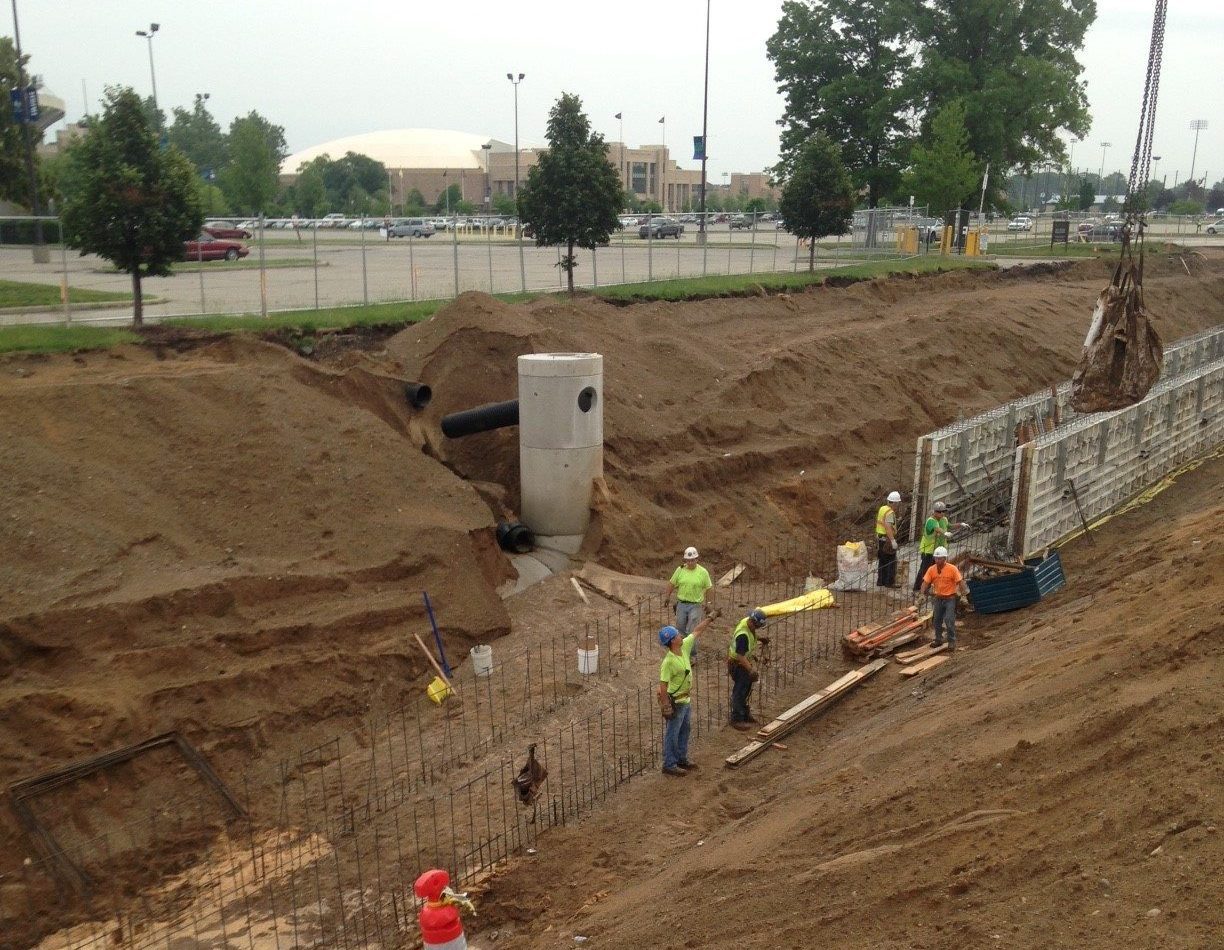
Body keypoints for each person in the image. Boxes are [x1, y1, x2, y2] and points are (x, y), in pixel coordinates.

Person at [657, 615, 714, 776]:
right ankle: (669, 763)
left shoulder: (685, 647)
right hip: (676, 702)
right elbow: (663, 685)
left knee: (685, 729)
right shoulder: (668, 662)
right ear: (672, 641)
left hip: (685, 699)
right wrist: (665, 705)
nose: (680, 635)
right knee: (672, 733)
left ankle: (682, 758)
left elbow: (697, 631)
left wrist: (710, 618)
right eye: (677, 635)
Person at [916, 546, 969, 650]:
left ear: (945, 558)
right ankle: (938, 639)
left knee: (949, 620)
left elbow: (960, 582)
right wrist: (922, 594)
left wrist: (964, 595)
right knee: (936, 620)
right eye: (936, 558)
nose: (937, 560)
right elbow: (925, 583)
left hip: (950, 598)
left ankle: (952, 641)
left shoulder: (952, 569)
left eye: (939, 558)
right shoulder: (932, 569)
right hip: (938, 598)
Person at [912, 501, 969, 592]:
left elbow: (950, 526)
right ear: (934, 512)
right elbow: (937, 529)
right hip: (928, 551)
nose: (941, 513)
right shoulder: (931, 521)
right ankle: (918, 588)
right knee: (925, 570)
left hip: (939, 551)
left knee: (936, 571)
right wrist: (944, 533)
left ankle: (928, 588)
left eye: (943, 511)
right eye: (939, 512)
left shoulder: (944, 519)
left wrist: (960, 525)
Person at [727, 609, 768, 730]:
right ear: (752, 621)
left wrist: (759, 638)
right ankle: (736, 719)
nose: (756, 627)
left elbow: (751, 634)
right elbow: (740, 656)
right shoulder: (743, 635)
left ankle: (744, 714)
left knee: (746, 689)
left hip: (742, 663)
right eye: (755, 625)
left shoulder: (747, 622)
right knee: (740, 691)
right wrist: (751, 670)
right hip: (738, 665)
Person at [668, 546, 713, 653]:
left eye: (692, 560)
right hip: (681, 604)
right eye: (688, 560)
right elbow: (671, 583)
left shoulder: (703, 572)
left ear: (697, 559)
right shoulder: (680, 570)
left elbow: (709, 588)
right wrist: (667, 596)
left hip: (696, 605)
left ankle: (691, 654)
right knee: (680, 628)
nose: (690, 562)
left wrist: (709, 603)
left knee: (692, 630)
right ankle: (682, 651)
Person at [875, 490, 902, 588]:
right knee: (891, 560)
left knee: (882, 560)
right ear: (894, 503)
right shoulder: (890, 512)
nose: (898, 506)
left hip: (880, 537)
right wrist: (893, 540)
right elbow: (887, 526)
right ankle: (889, 582)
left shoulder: (883, 508)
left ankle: (880, 581)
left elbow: (883, 521)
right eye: (897, 503)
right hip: (887, 539)